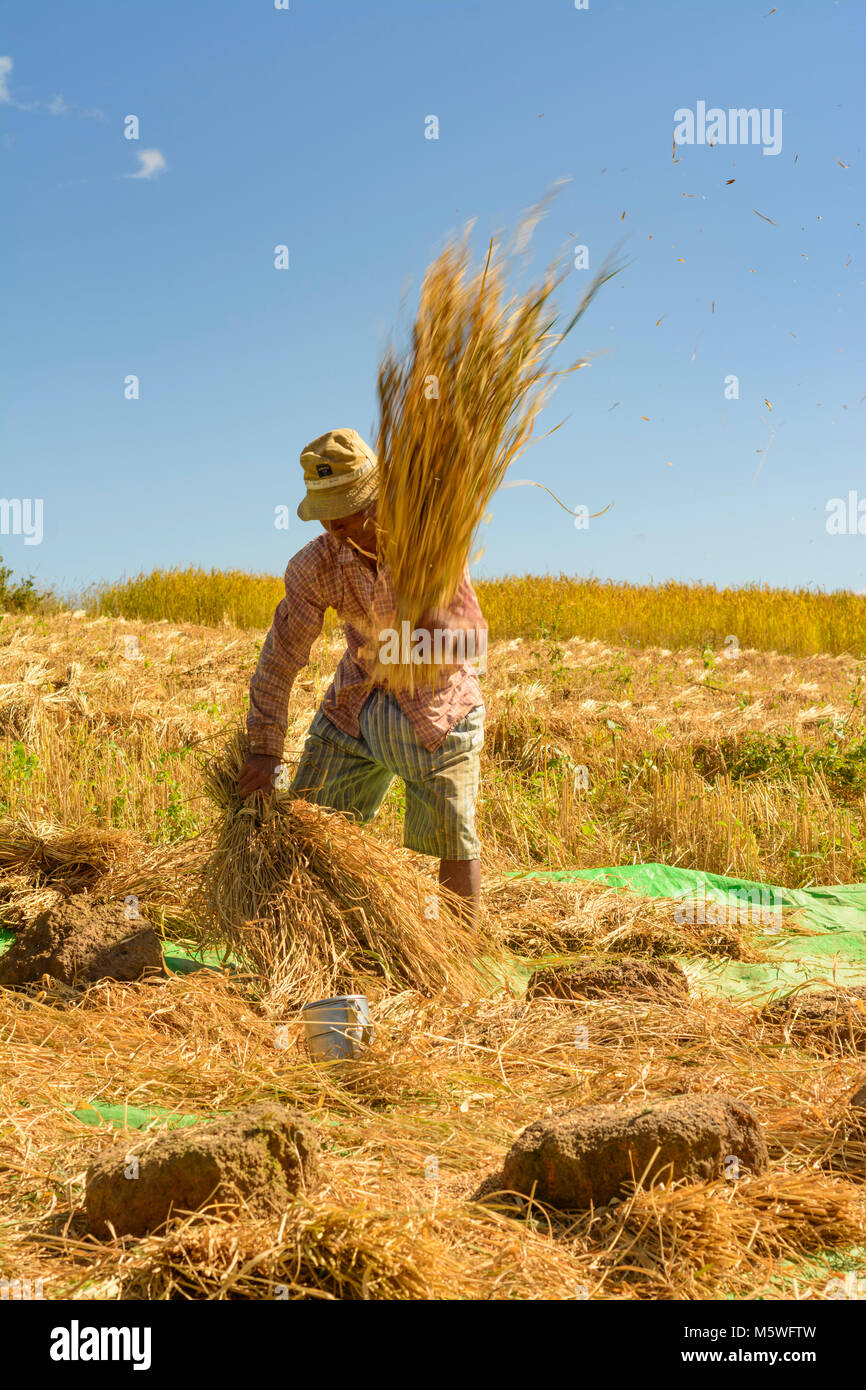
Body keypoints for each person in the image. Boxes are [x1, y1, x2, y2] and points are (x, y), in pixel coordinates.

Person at [237, 428, 487, 922]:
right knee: (307, 830)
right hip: (355, 710)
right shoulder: (316, 563)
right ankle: (311, 943)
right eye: (324, 509)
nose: (332, 522)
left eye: (344, 507)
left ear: (375, 496)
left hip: (437, 710)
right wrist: (264, 749)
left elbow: (473, 637)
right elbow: (281, 654)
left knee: (454, 837)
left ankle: (463, 962)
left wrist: (424, 641)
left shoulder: (428, 544)